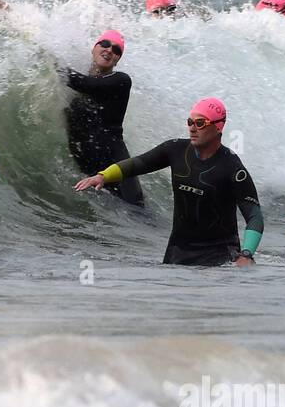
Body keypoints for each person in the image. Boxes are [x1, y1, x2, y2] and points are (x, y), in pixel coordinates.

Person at [75, 97, 262, 266]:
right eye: (190, 122)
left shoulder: (231, 166)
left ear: (218, 127)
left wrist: (246, 254)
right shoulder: (175, 149)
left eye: (200, 123)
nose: (192, 127)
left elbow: (254, 216)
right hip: (177, 252)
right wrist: (103, 175)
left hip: (219, 259)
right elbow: (138, 164)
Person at [60, 30, 143, 207]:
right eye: (105, 44)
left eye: (116, 50)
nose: (110, 50)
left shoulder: (120, 81)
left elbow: (82, 83)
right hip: (91, 174)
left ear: (118, 59)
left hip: (117, 169)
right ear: (94, 48)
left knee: (138, 215)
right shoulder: (88, 78)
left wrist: (47, 57)